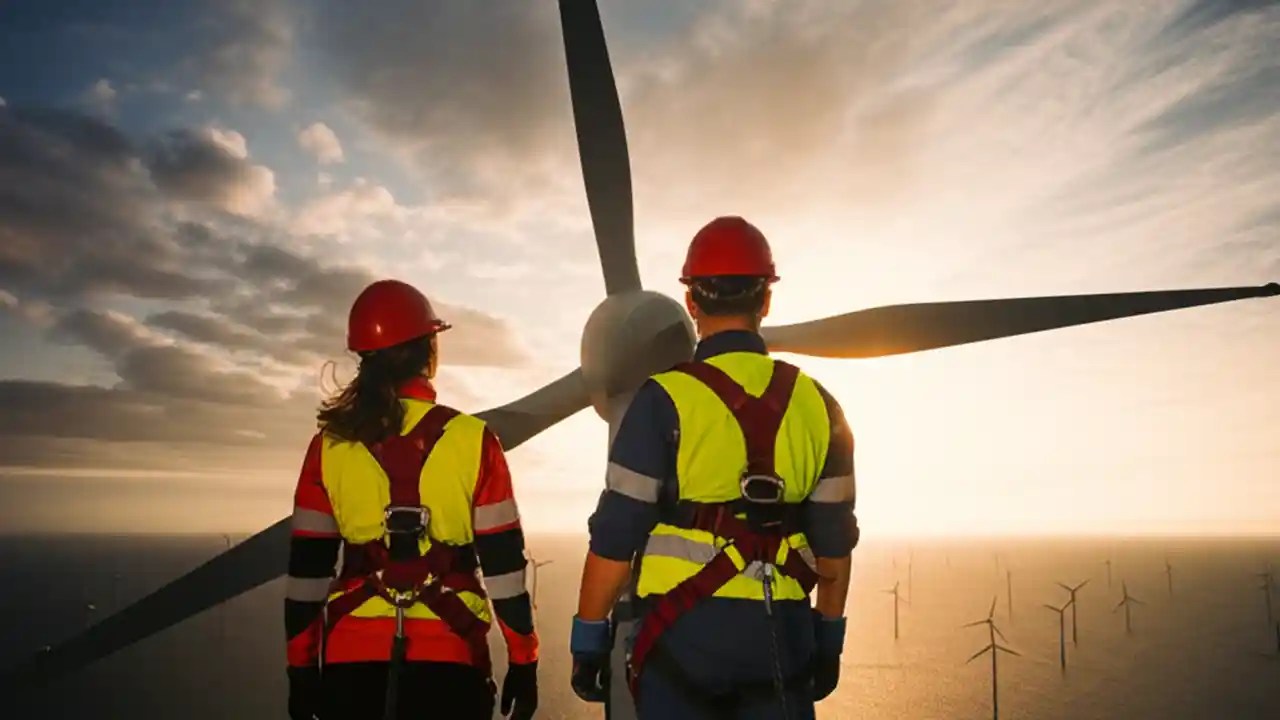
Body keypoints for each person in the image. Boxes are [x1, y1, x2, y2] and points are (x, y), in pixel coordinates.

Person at [569, 217, 859, 719]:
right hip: (783, 643)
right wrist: (828, 639)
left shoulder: (661, 400)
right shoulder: (820, 405)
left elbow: (615, 540)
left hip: (680, 643)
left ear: (691, 302)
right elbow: (834, 546)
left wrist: (589, 638)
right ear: (766, 300)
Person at [284, 279, 539, 720]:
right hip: (450, 666)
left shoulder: (329, 446)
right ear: (429, 350)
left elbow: (307, 574)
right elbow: (505, 569)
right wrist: (524, 659)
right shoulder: (474, 441)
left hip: (349, 668)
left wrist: (301, 670)